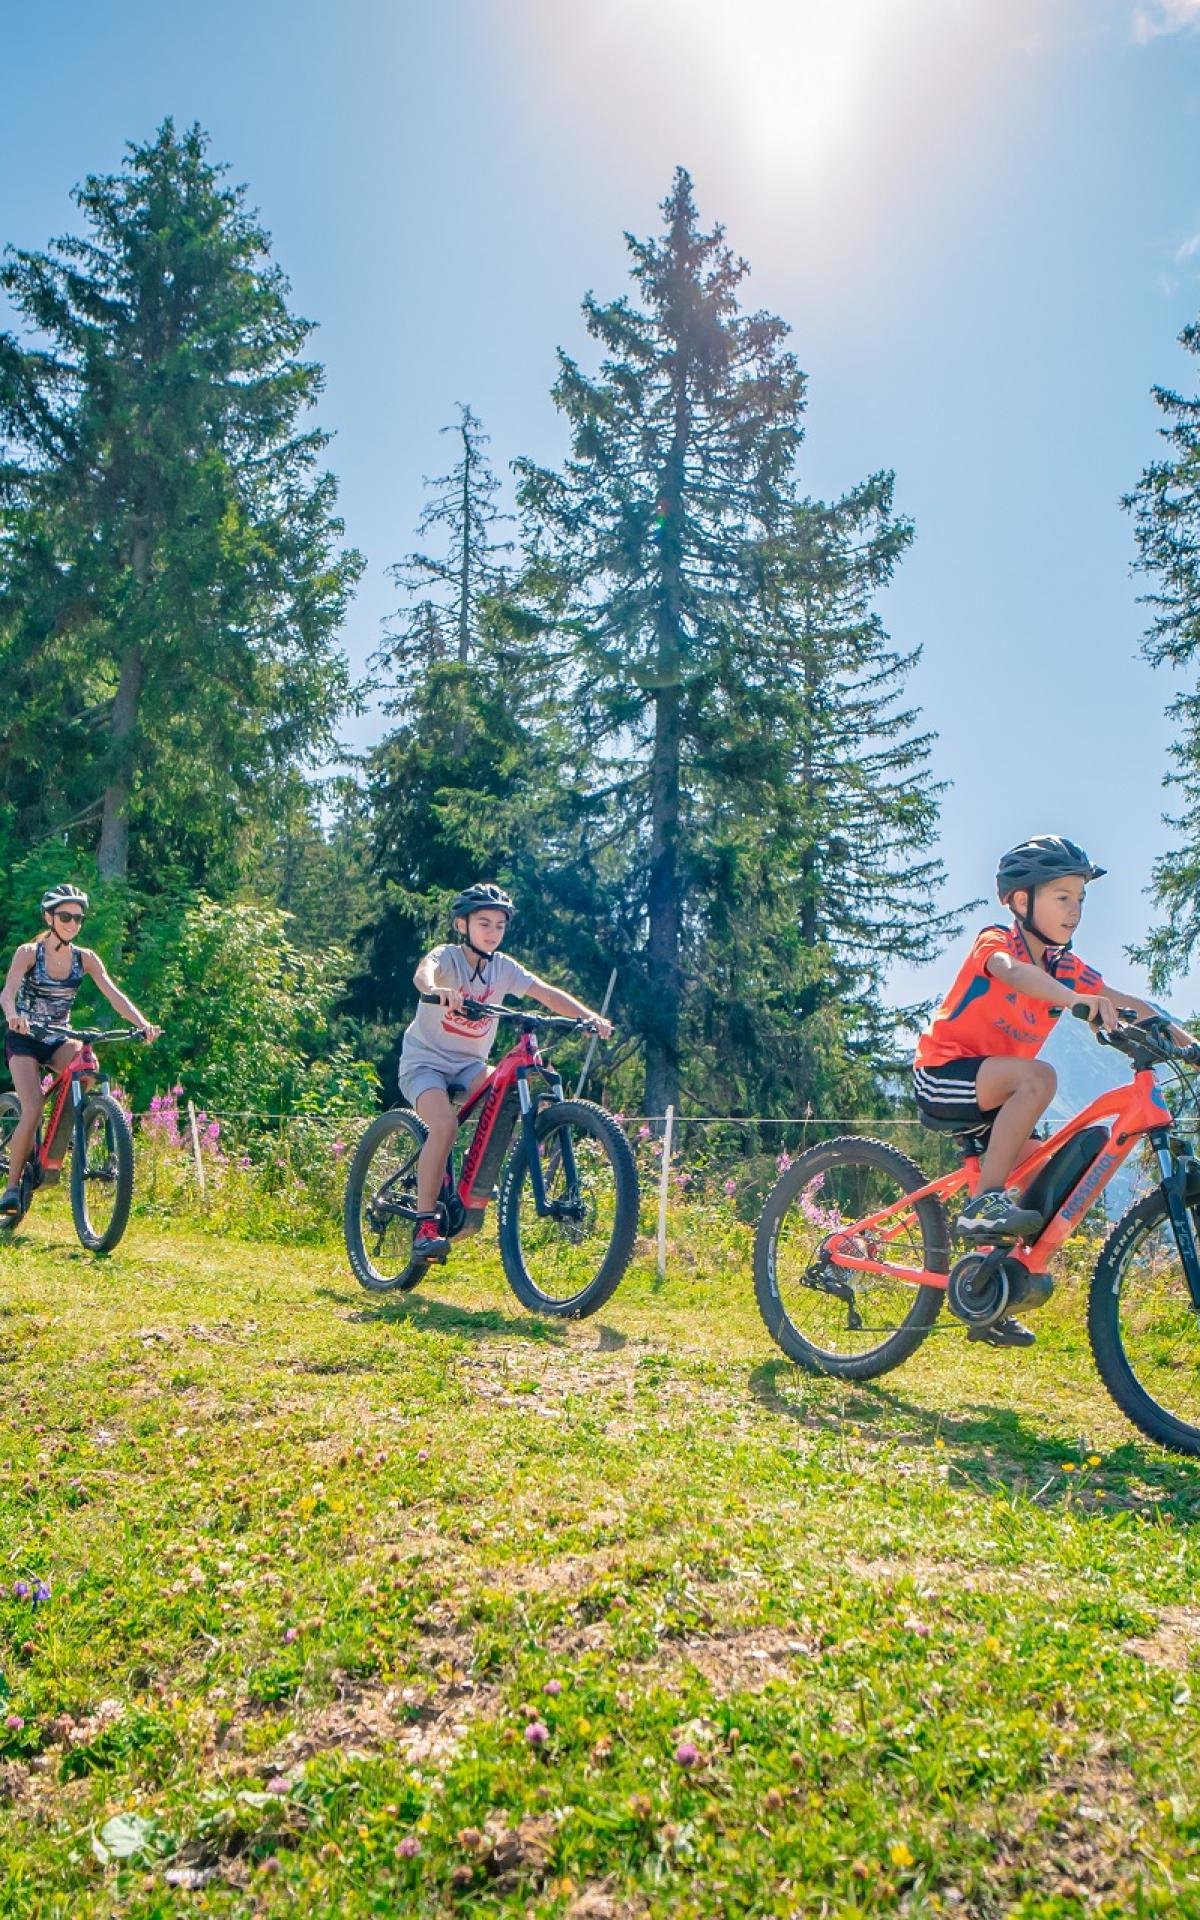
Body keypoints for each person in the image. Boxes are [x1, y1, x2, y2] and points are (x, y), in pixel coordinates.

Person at [912, 835, 1194, 1347]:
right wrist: (1076, 1003)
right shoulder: (997, 943)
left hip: (997, 1100)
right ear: (1022, 901)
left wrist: (1190, 1044)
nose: (1075, 910)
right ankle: (981, 1204)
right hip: (945, 1077)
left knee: (1050, 1185)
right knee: (1040, 1077)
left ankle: (987, 1291)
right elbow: (1012, 973)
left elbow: (1129, 1001)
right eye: (1062, 897)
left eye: (1080, 899)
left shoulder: (1065, 964)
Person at [399, 882, 612, 1264]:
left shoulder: (503, 969)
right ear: (462, 925)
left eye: (499, 925)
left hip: (468, 1067)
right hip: (424, 1064)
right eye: (484, 923)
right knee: (444, 1126)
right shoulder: (448, 957)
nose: (492, 932)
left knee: (507, 1092)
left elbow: (546, 993)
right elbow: (423, 973)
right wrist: (437, 990)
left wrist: (588, 1017)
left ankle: (473, 1174)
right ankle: (424, 1226)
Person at [0, 885, 161, 1213]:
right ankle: (12, 1188)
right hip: (26, 1038)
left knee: (87, 1063)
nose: (73, 924)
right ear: (49, 917)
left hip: (59, 1037)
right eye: (65, 916)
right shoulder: (29, 953)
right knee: (31, 1108)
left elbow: (114, 995)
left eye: (78, 918)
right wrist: (13, 1016)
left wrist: (143, 1024)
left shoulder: (84, 959)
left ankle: (73, 1130)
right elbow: (8, 992)